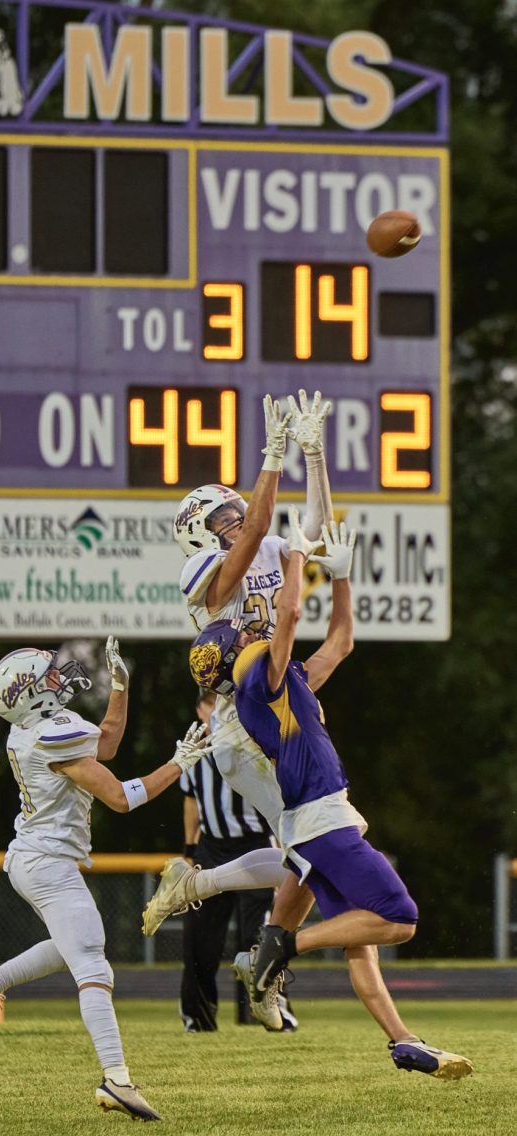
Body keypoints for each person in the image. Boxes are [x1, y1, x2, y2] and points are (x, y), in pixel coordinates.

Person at [189, 509, 473, 1080]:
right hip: (321, 819)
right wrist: (296, 554)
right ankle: (278, 949)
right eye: (242, 631)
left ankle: (403, 1042)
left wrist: (341, 577)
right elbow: (290, 610)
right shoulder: (254, 680)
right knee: (398, 919)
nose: (251, 626)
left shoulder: (277, 678)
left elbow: (340, 642)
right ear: (229, 653)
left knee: (362, 941)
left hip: (313, 820)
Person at [0, 637, 212, 1121]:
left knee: (73, 945)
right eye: (46, 678)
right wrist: (176, 765)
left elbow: (108, 743)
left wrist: (121, 687)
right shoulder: (50, 736)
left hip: (32, 859)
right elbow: (120, 797)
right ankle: (116, 1078)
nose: (58, 678)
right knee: (94, 964)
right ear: (29, 696)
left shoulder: (35, 728)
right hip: (46, 862)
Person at [143, 389, 334, 1029]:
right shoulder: (202, 570)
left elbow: (314, 533)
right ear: (200, 530)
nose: (236, 515)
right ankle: (261, 963)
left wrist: (313, 455)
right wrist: (273, 454)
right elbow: (254, 534)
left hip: (277, 708)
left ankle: (254, 955)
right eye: (222, 512)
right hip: (239, 723)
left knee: (303, 855)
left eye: (234, 507)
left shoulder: (262, 540)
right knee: (311, 850)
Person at [175, 689, 298, 1034]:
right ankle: (197, 1020)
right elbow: (190, 798)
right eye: (213, 704)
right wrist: (188, 847)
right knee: (199, 941)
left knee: (260, 937)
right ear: (201, 708)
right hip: (210, 848)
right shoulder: (191, 746)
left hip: (257, 844)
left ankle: (272, 1014)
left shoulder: (253, 736)